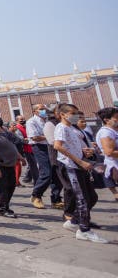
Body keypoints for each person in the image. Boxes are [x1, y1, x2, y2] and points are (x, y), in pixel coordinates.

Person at [53, 104, 108, 243]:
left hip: (79, 165)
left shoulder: (71, 128)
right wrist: (80, 161)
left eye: (76, 113)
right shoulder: (61, 127)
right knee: (83, 199)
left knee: (92, 197)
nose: (75, 116)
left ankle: (74, 221)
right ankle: (84, 230)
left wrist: (85, 152)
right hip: (71, 166)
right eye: (72, 113)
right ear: (63, 114)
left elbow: (72, 145)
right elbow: (57, 146)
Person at [26, 104, 60, 209]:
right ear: (35, 111)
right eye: (41, 109)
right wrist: (49, 135)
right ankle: (36, 195)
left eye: (44, 109)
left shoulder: (48, 120)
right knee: (46, 172)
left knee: (57, 172)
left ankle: (56, 198)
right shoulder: (31, 121)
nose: (43, 111)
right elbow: (34, 137)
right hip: (39, 148)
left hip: (51, 147)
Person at [95, 107, 118, 202]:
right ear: (107, 120)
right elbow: (109, 152)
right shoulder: (105, 132)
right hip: (114, 165)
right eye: (116, 117)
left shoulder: (114, 131)